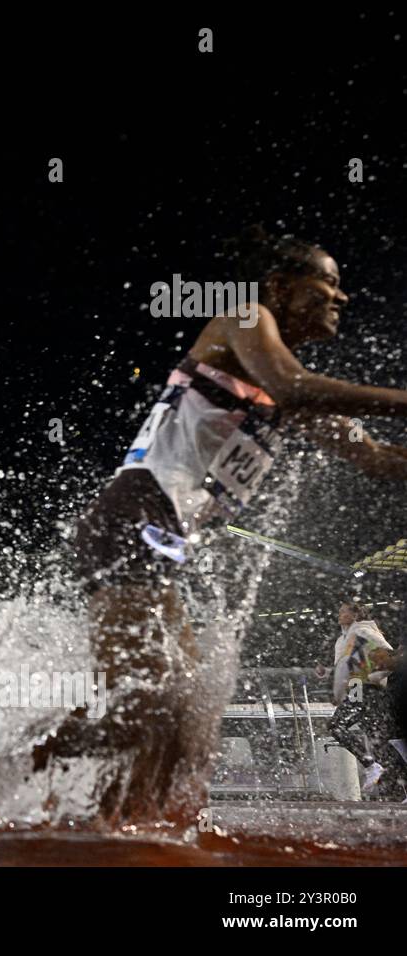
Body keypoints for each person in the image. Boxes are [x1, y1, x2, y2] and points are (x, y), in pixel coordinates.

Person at [36, 224, 407, 824]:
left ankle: (129, 830)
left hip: (162, 539)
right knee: (145, 708)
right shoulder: (244, 317)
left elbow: (375, 457)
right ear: (282, 288)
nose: (342, 297)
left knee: (183, 717)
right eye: (328, 283)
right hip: (131, 516)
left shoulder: (293, 391)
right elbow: (293, 385)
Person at [328, 601, 407, 798]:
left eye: (343, 611)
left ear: (354, 615)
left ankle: (371, 764)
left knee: (336, 725)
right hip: (356, 688)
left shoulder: (364, 632)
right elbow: (344, 669)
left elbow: (391, 658)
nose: (339, 614)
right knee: (378, 740)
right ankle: (397, 791)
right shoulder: (343, 639)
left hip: (364, 688)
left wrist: (372, 678)